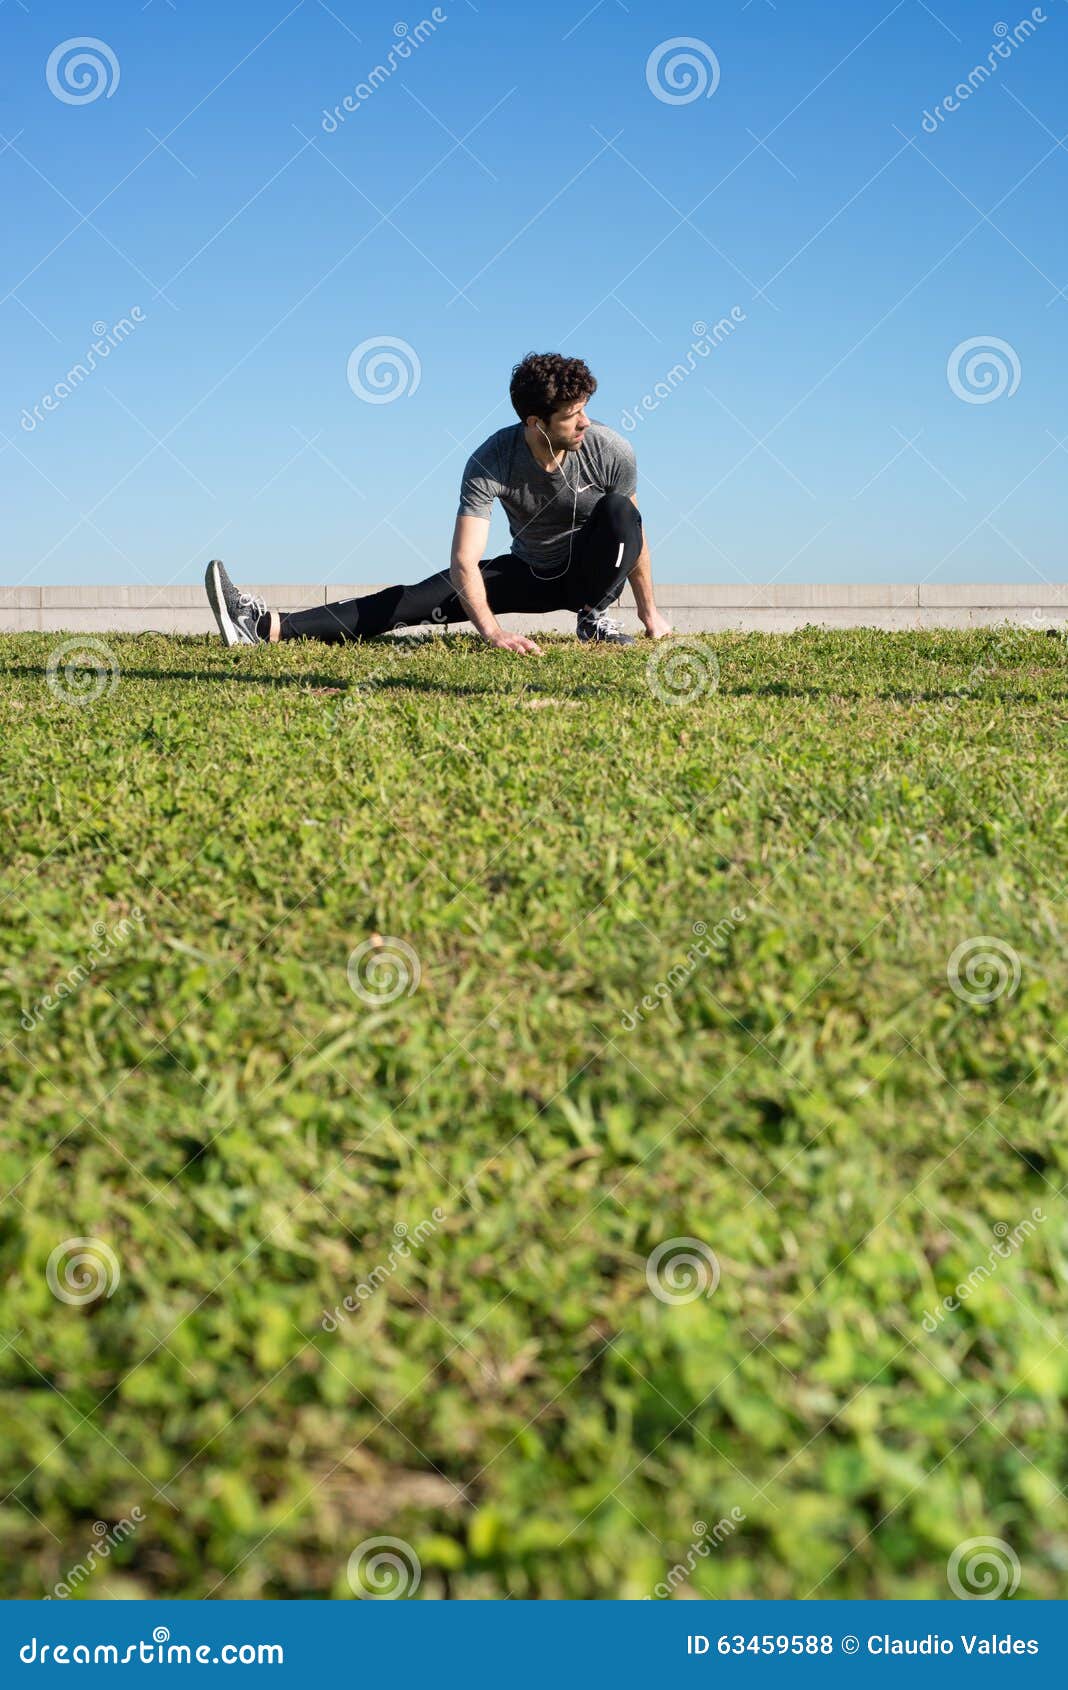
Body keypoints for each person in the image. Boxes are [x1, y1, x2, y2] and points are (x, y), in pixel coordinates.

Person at [204, 351, 673, 655]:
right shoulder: (492, 461)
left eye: (586, 409)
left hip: (590, 575)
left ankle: (595, 618)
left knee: (620, 510)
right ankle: (265, 626)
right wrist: (492, 631)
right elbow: (465, 560)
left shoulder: (610, 449)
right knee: (409, 600)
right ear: (535, 421)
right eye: (572, 416)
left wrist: (648, 613)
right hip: (530, 574)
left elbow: (633, 536)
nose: (585, 423)